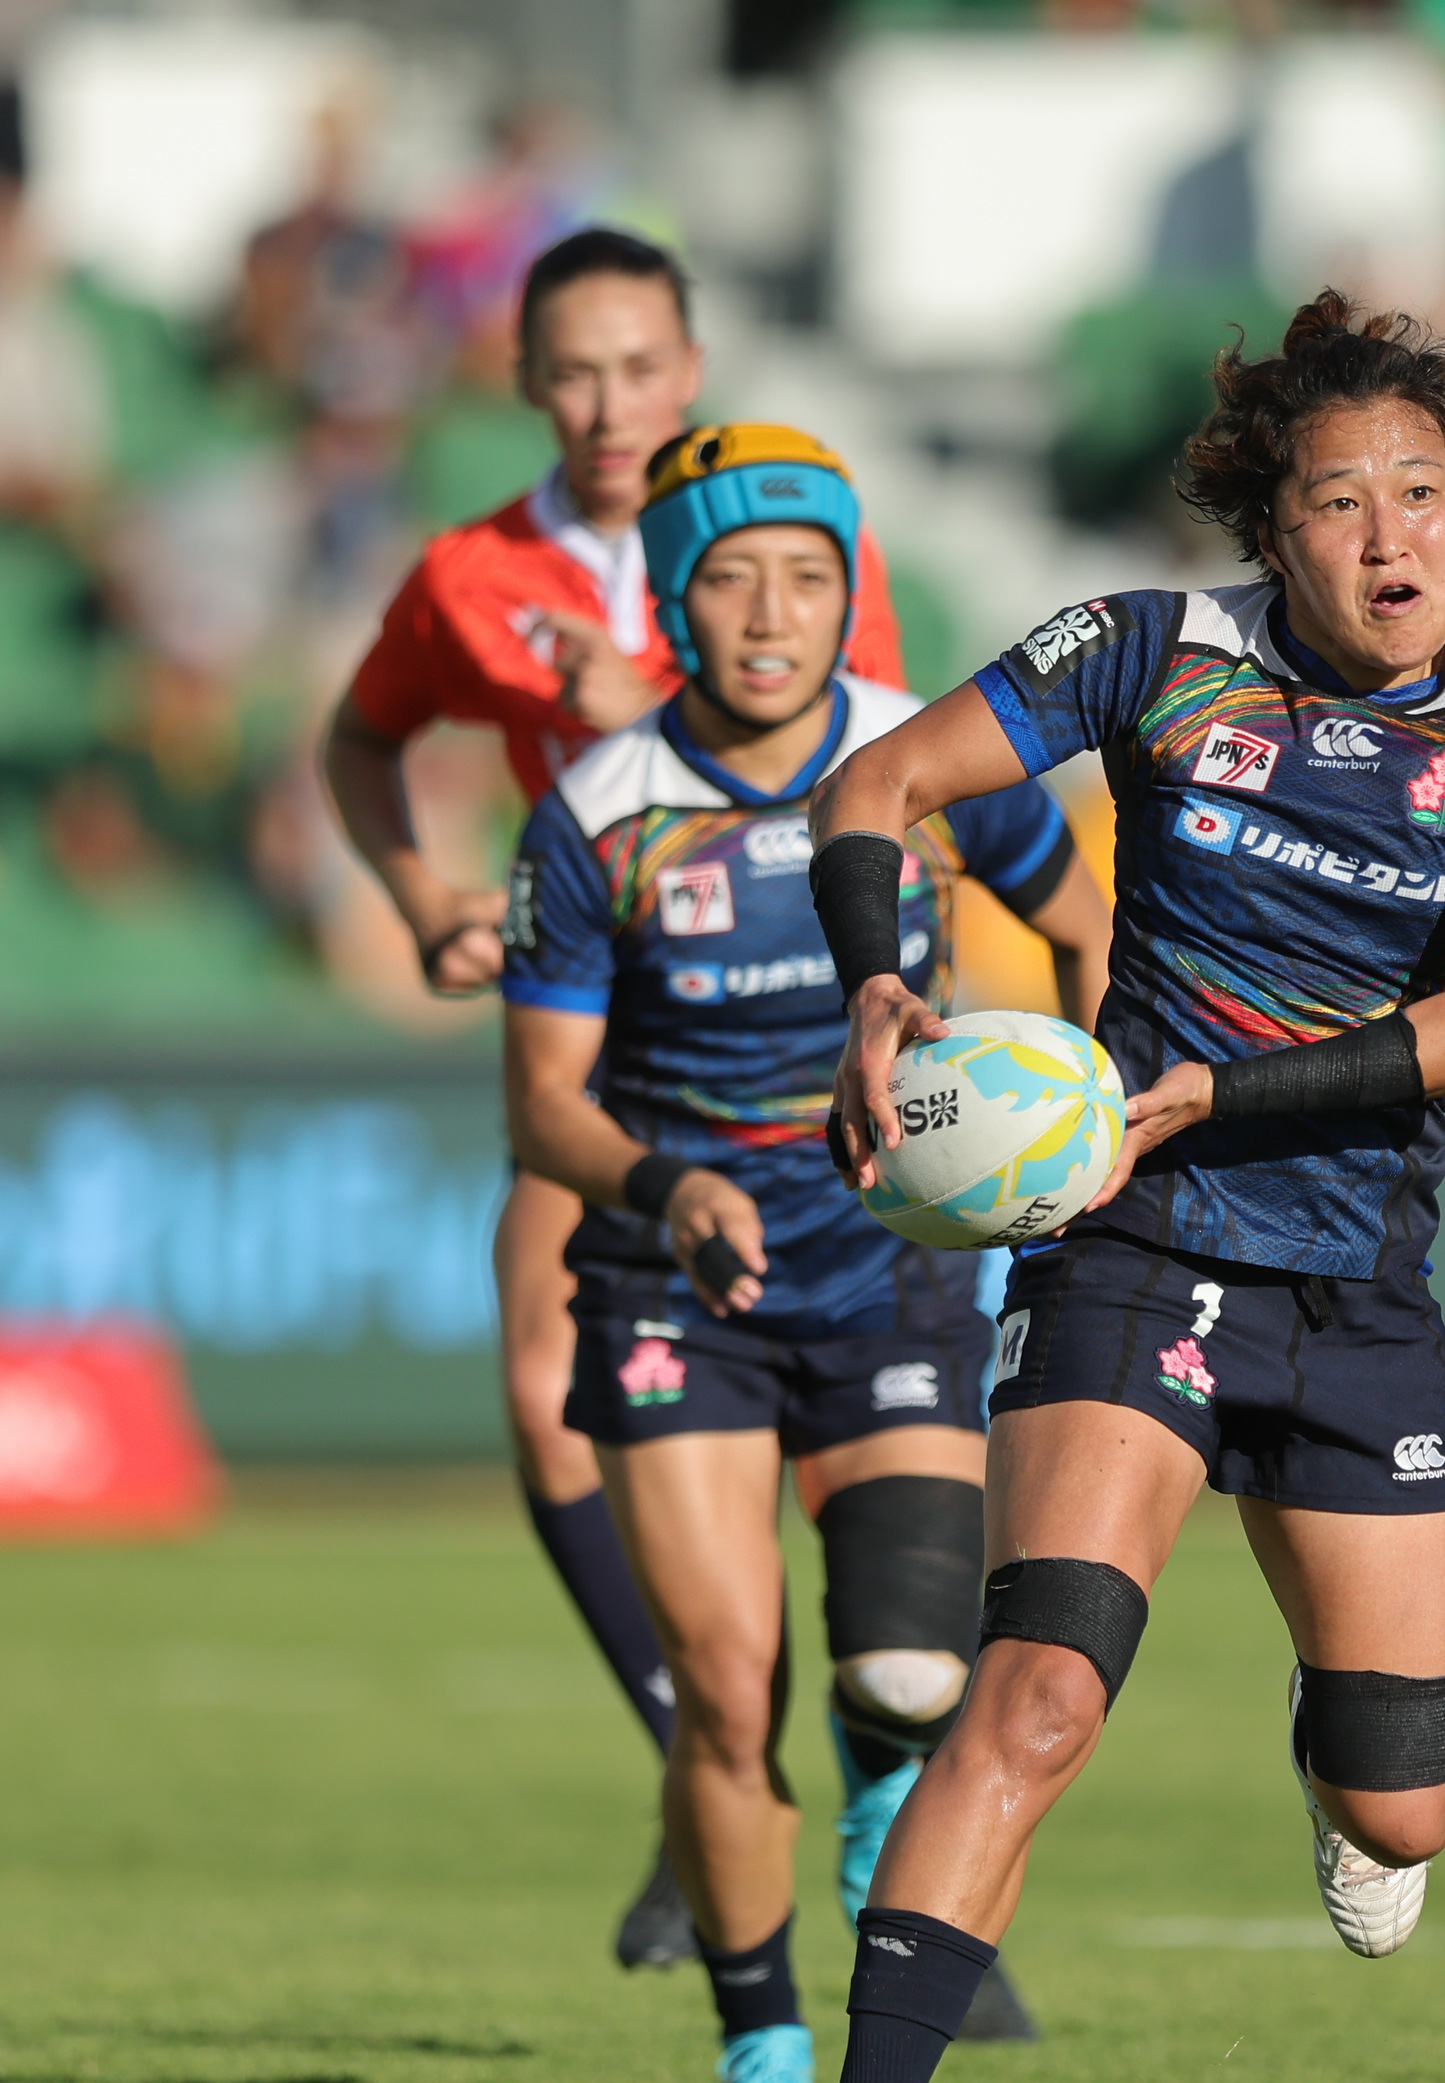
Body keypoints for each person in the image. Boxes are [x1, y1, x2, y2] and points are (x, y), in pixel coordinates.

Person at [783, 293, 1445, 2083]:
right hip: (1132, 1254)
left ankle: (1349, 1783)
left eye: (1426, 492)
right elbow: (872, 787)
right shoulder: (1157, 656)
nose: (1392, 535)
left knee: (1407, 1801)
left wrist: (1201, 1094)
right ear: (1276, 530)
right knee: (1042, 1691)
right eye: (1342, 501)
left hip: (1357, 1296)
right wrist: (878, 990)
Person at [500, 425, 1107, 2083]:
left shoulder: (926, 774)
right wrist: (670, 1182)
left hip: (889, 1260)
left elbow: (1083, 927)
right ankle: (762, 2032)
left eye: (809, 577)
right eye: (731, 577)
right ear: (675, 602)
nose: (771, 613)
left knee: (915, 1663)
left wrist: (1074, 1106)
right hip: (675, 1271)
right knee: (724, 1680)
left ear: (855, 597)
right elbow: (541, 1105)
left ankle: (874, 1796)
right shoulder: (599, 817)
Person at [325, 228, 911, 1970]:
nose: (608, 403)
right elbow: (364, 738)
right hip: (606, 1032)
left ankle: (864, 1781)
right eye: (573, 370)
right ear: (522, 379)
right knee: (540, 1388)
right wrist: (425, 893)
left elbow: (852, 733)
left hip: (802, 1039)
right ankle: (708, 1763)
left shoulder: (789, 528)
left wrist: (646, 696)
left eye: (640, 366)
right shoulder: (468, 575)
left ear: (691, 364)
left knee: (837, 1447)